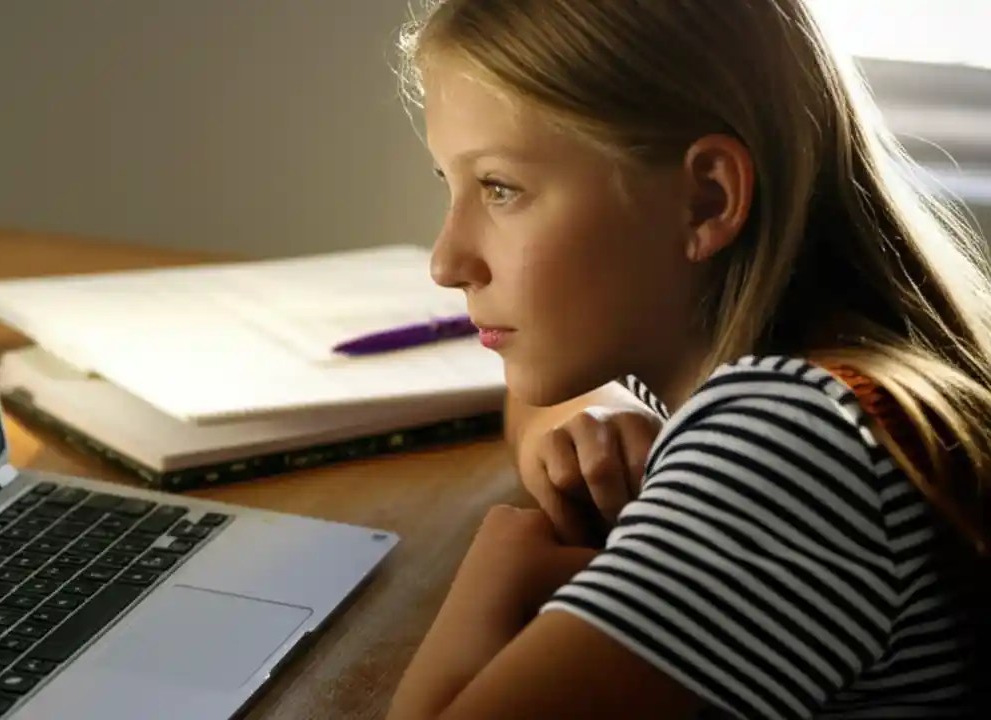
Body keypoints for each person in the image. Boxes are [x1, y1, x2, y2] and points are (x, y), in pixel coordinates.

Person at [385, 1, 989, 718]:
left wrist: (491, 582)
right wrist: (602, 422)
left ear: (706, 199)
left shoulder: (789, 447)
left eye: (500, 189)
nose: (448, 263)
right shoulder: (833, 390)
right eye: (451, 188)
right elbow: (537, 400)